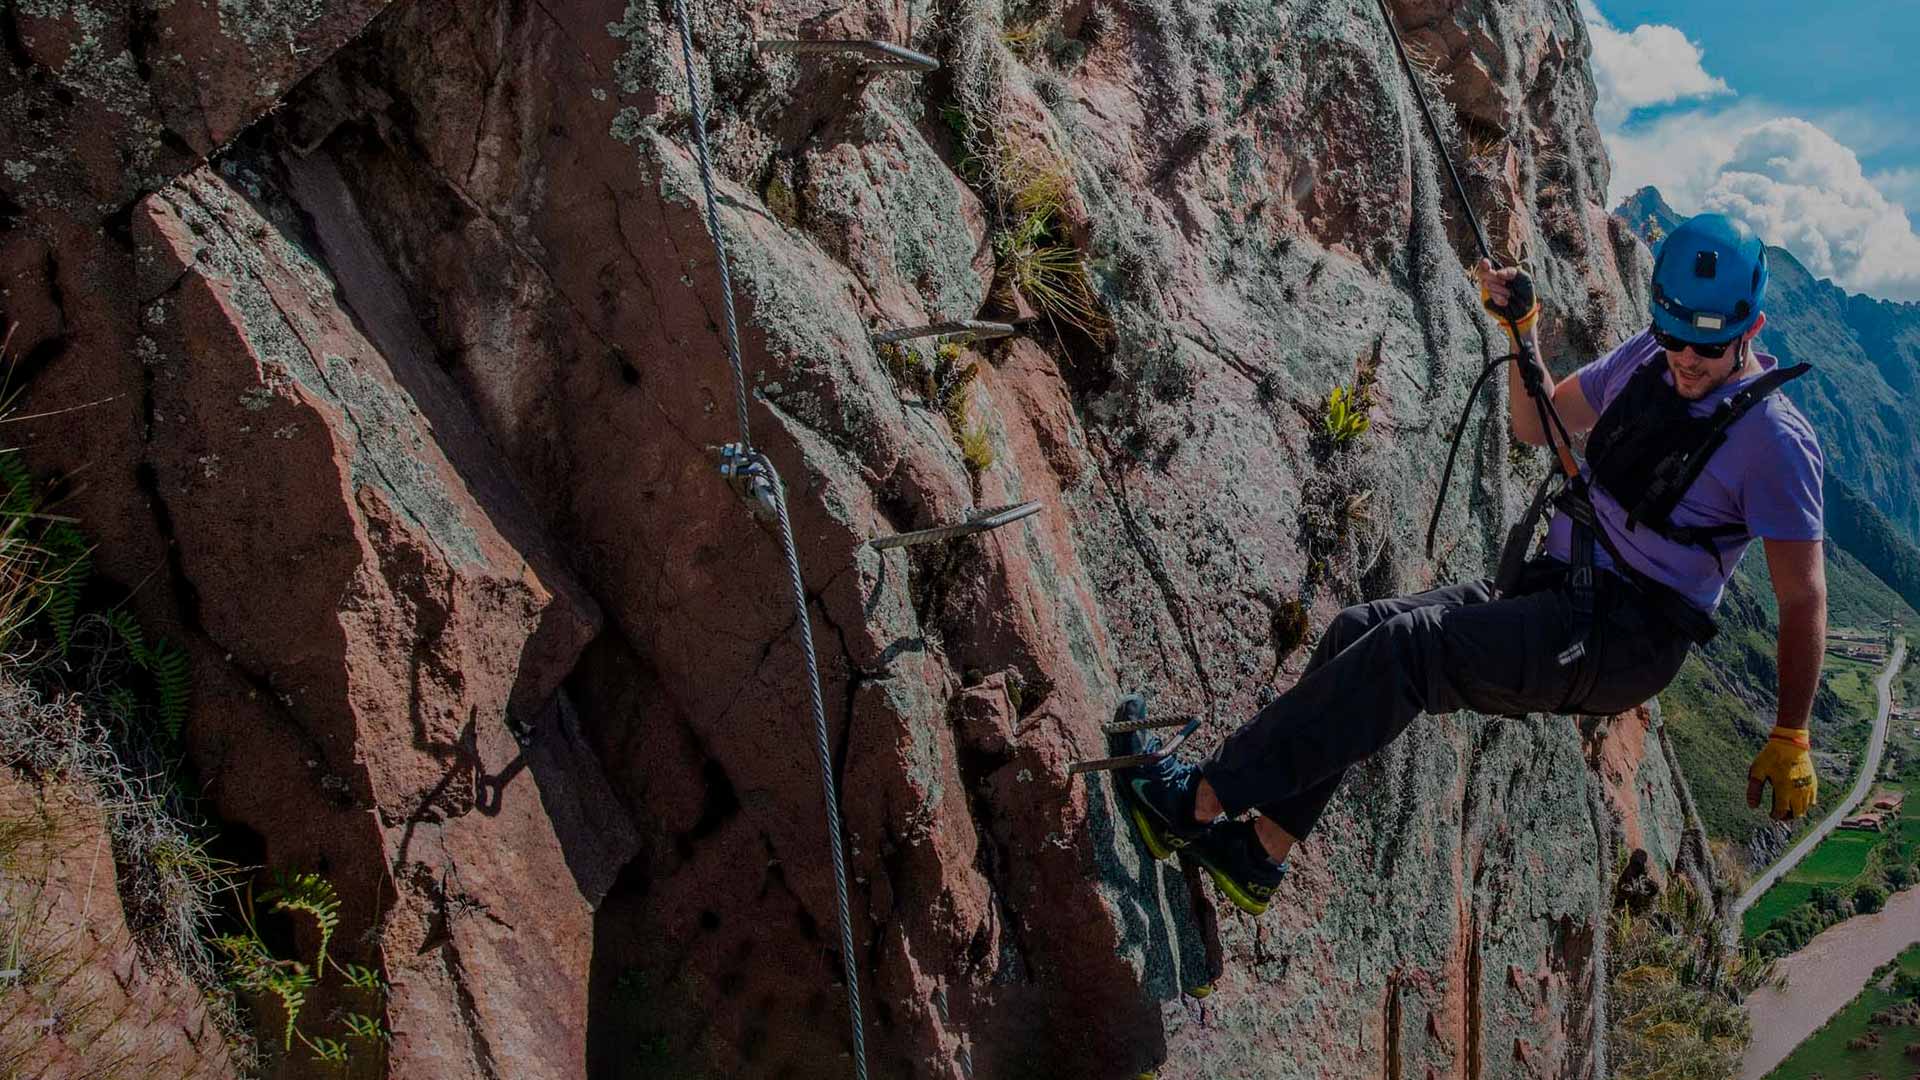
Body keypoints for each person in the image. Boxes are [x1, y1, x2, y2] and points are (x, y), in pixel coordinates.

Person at [1116, 213, 1828, 915]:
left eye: (1710, 345)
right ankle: (1259, 854)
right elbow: (1537, 423)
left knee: (1409, 652)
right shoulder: (1648, 357)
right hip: (1562, 588)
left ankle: (1194, 802)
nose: (1687, 359)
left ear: (1752, 329)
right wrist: (1522, 332)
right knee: (1359, 630)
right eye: (1674, 336)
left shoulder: (1776, 442)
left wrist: (1791, 732)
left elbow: (1802, 598)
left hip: (1625, 639)